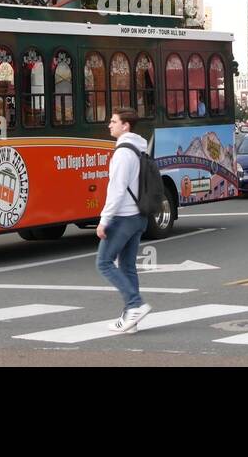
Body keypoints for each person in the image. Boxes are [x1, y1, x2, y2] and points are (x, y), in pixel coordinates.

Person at [97, 108, 152, 334]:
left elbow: (117, 190)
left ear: (125, 125)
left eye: (113, 121)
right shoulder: (138, 149)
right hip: (139, 217)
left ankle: (135, 304)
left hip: (123, 216)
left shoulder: (122, 153)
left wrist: (104, 220)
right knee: (128, 266)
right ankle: (132, 320)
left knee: (104, 262)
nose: (109, 125)